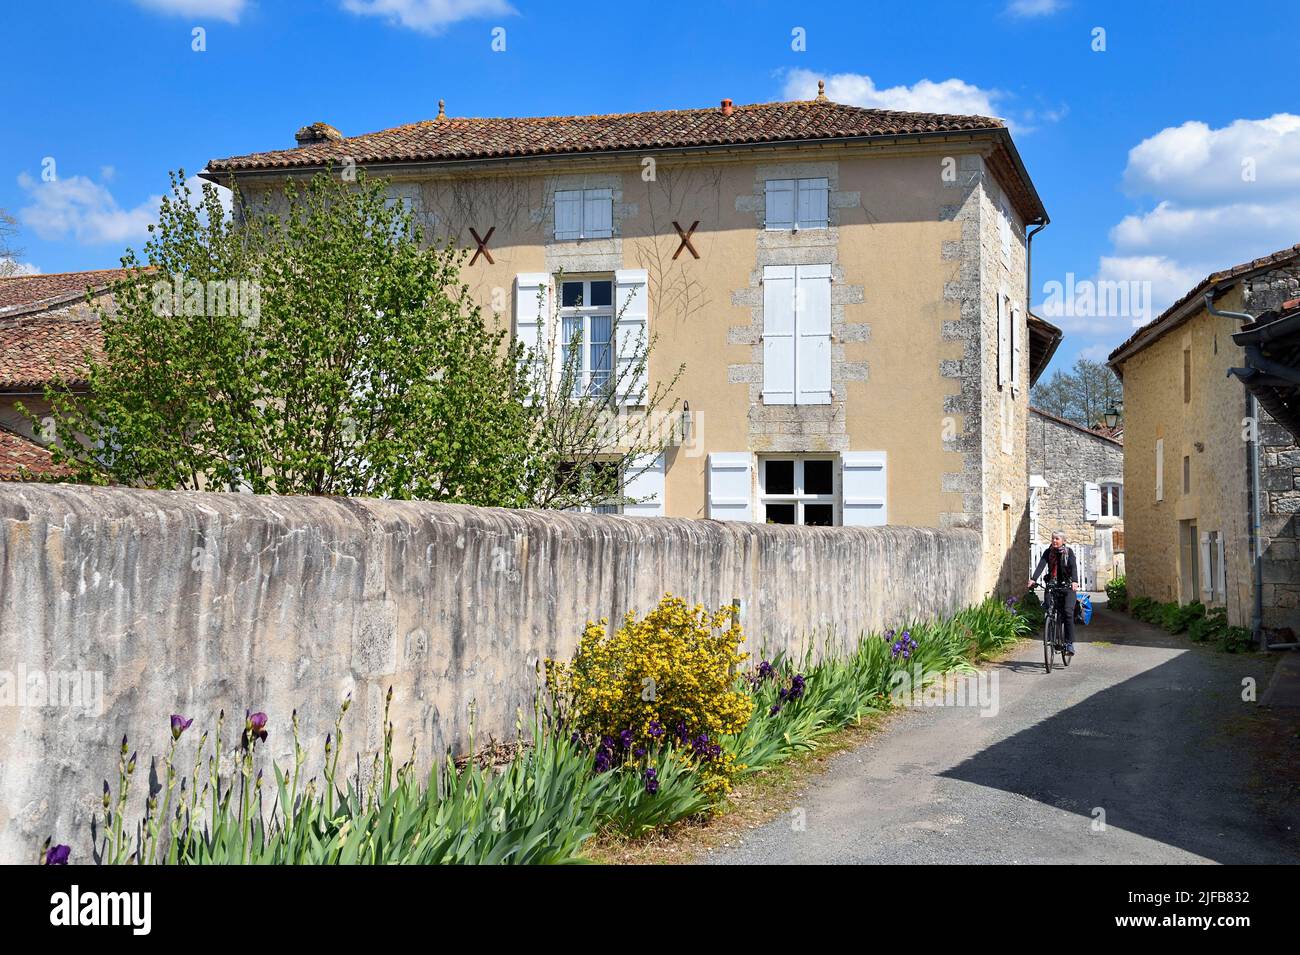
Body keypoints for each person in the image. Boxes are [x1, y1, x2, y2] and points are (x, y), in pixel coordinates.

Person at [1028, 531, 1078, 657]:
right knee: (1049, 610)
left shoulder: (1068, 552)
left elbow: (1073, 567)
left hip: (1067, 587)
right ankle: (1052, 636)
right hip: (1053, 585)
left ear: (1063, 541)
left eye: (1057, 538)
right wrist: (1033, 579)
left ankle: (1069, 643)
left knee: (1067, 612)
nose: (1054, 541)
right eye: (1053, 538)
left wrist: (1075, 581)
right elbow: (1041, 566)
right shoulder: (1048, 552)